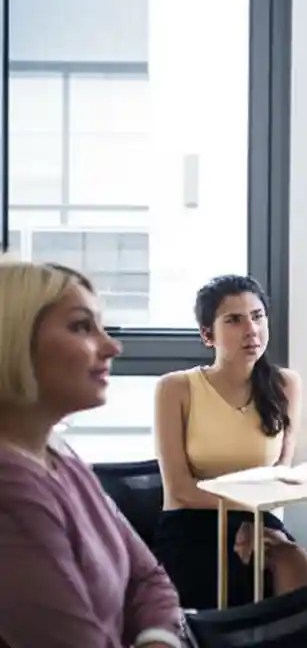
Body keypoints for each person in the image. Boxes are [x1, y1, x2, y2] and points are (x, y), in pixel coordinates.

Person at [0, 258, 183, 648]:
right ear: (13, 339)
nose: (111, 346)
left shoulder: (60, 458)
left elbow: (149, 578)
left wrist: (157, 640)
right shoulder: (9, 488)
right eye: (81, 326)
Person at [152, 274, 307, 609]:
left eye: (257, 316)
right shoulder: (175, 388)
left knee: (298, 564)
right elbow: (180, 488)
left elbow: (281, 472)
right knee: (229, 582)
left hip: (257, 518)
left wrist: (253, 522)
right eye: (234, 320)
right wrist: (242, 513)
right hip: (191, 524)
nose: (251, 330)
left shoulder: (285, 385)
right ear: (207, 335)